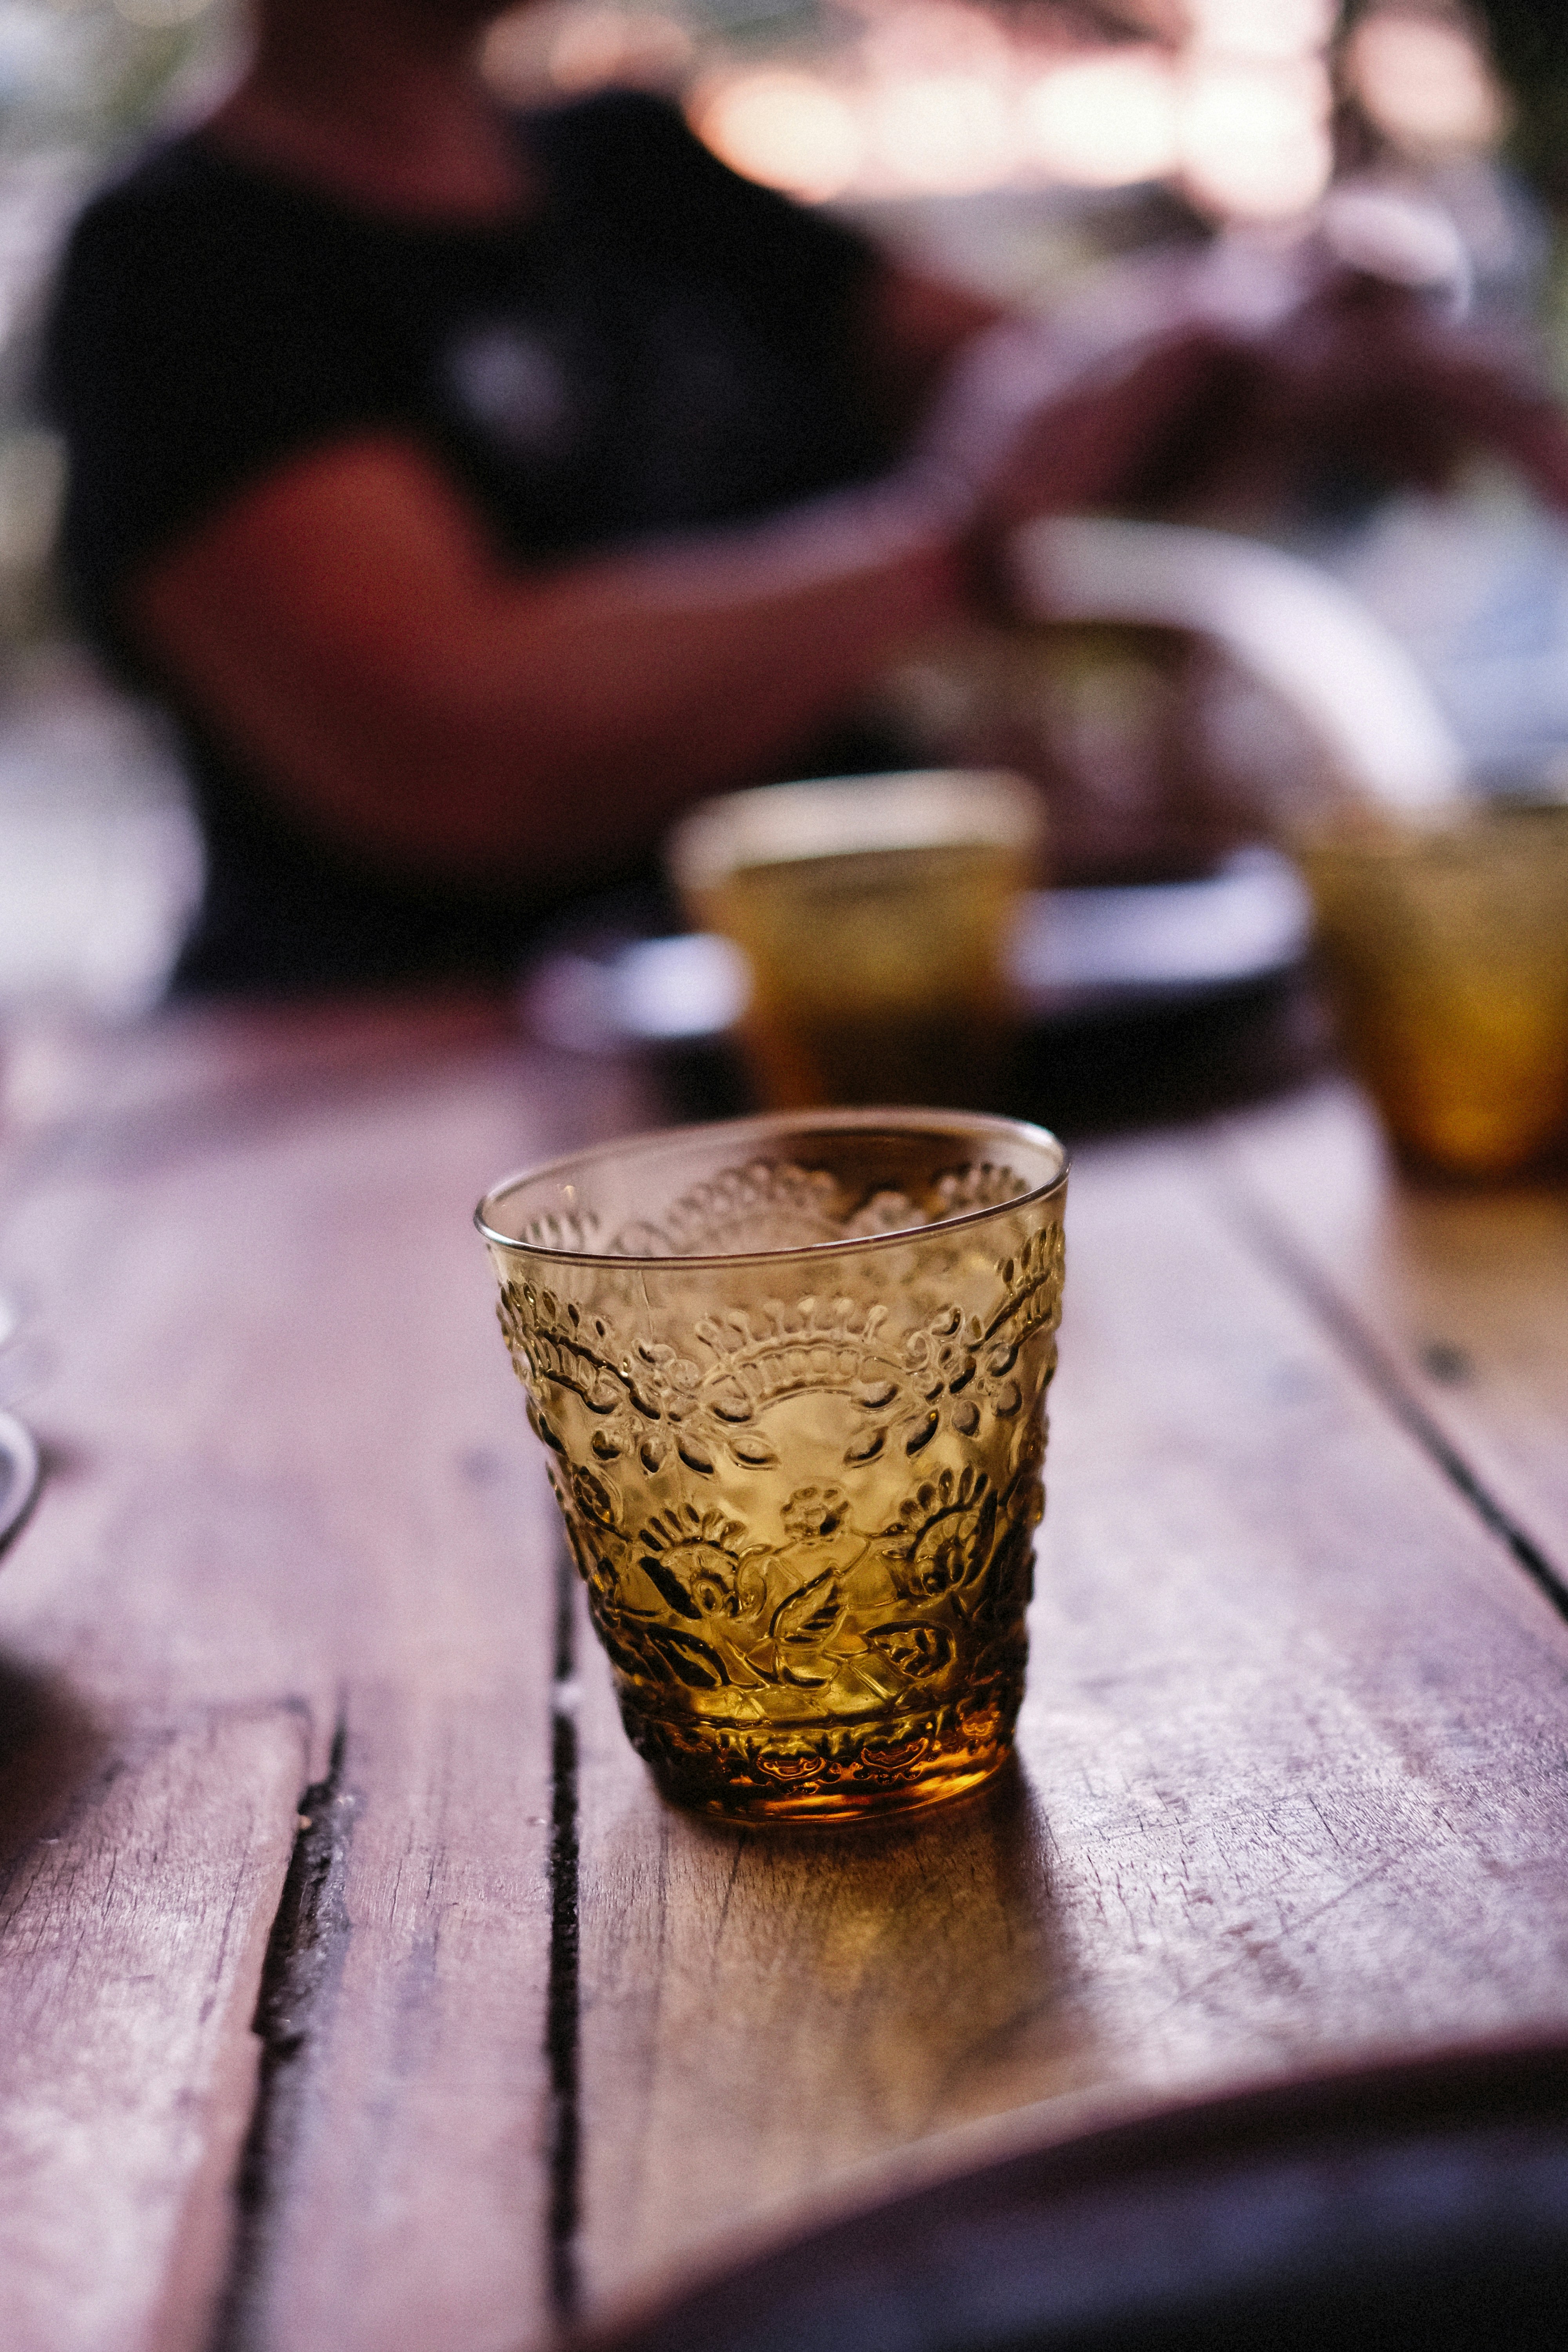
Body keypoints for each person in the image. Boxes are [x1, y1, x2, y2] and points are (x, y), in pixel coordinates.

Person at [45, 0, 1568, 993]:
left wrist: (1282, 323)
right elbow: (450, 741)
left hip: (846, 1036)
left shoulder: (625, 164)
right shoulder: (181, 265)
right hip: (407, 1105)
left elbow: (1052, 410)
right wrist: (939, 544)